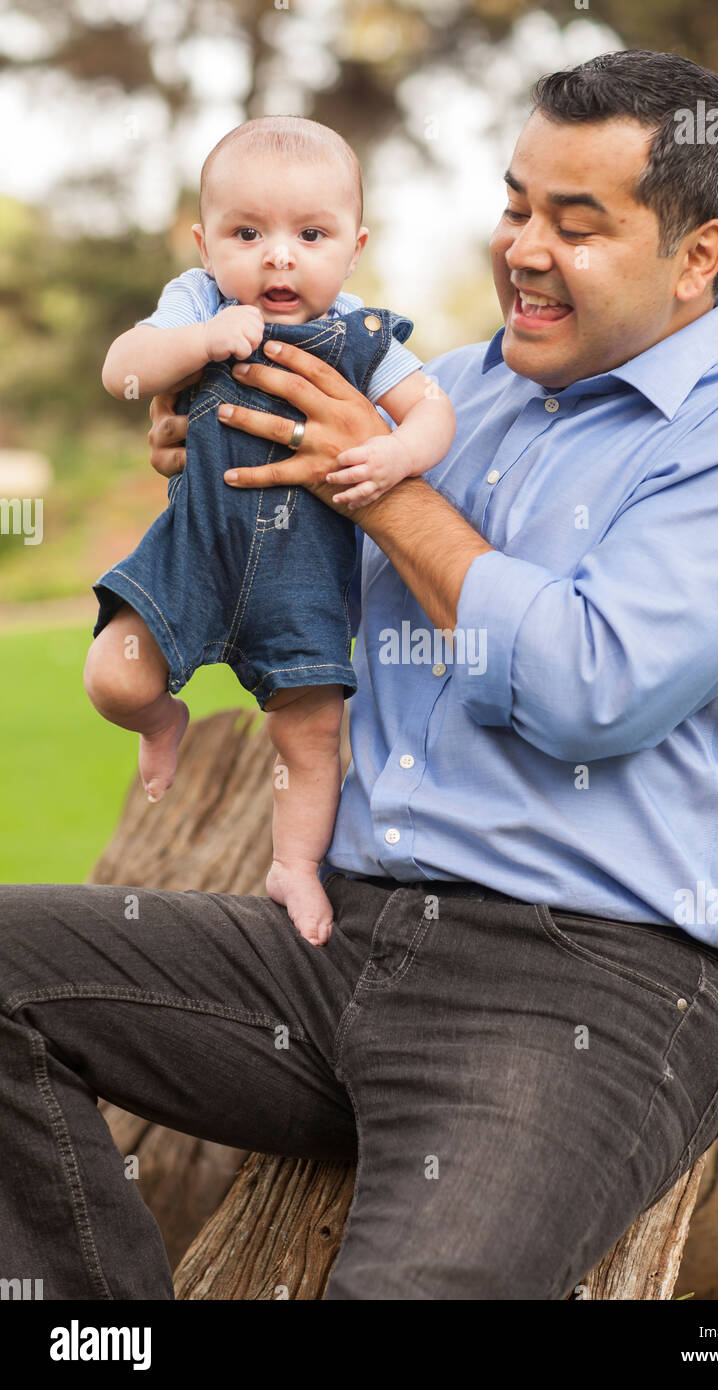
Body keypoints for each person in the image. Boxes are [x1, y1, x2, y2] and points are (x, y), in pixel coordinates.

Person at [0, 51, 718, 1300]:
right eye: (516, 205)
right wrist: (211, 465)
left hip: (585, 984)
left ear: (694, 253)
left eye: (576, 223)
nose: (522, 247)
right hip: (338, 941)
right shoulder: (443, 393)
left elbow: (587, 686)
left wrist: (384, 486)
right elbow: (281, 612)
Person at [85, 116, 456, 943]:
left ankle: (293, 867)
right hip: (195, 551)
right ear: (204, 242)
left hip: (304, 572)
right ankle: (160, 722)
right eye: (247, 232)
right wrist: (200, 342)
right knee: (114, 678)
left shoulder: (364, 335)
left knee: (311, 733)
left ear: (353, 247)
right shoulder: (198, 303)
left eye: (310, 233)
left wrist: (397, 457)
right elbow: (123, 371)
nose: (278, 255)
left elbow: (433, 411)